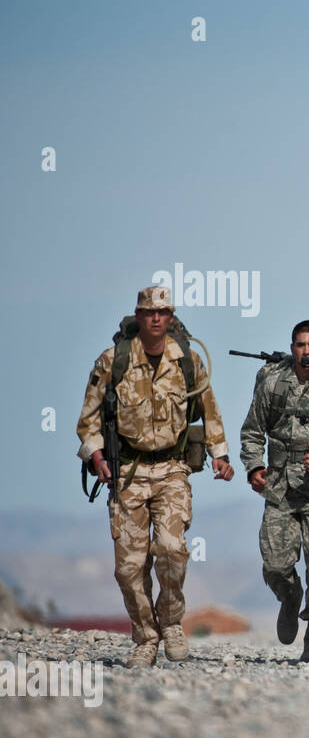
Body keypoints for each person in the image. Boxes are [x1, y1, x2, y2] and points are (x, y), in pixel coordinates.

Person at [76, 286, 235, 668]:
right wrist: (97, 457)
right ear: (138, 315)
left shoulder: (188, 361)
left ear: (171, 316)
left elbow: (210, 411)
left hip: (171, 469)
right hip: (126, 472)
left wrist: (220, 456)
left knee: (171, 549)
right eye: (149, 312)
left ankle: (172, 623)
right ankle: (146, 637)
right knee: (129, 567)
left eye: (163, 311)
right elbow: (87, 421)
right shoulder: (112, 361)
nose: (156, 318)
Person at [239, 320, 309, 663]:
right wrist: (254, 466)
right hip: (280, 486)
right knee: (275, 565)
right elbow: (253, 430)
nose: (307, 351)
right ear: (292, 347)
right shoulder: (273, 382)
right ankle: (289, 595)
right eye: (300, 345)